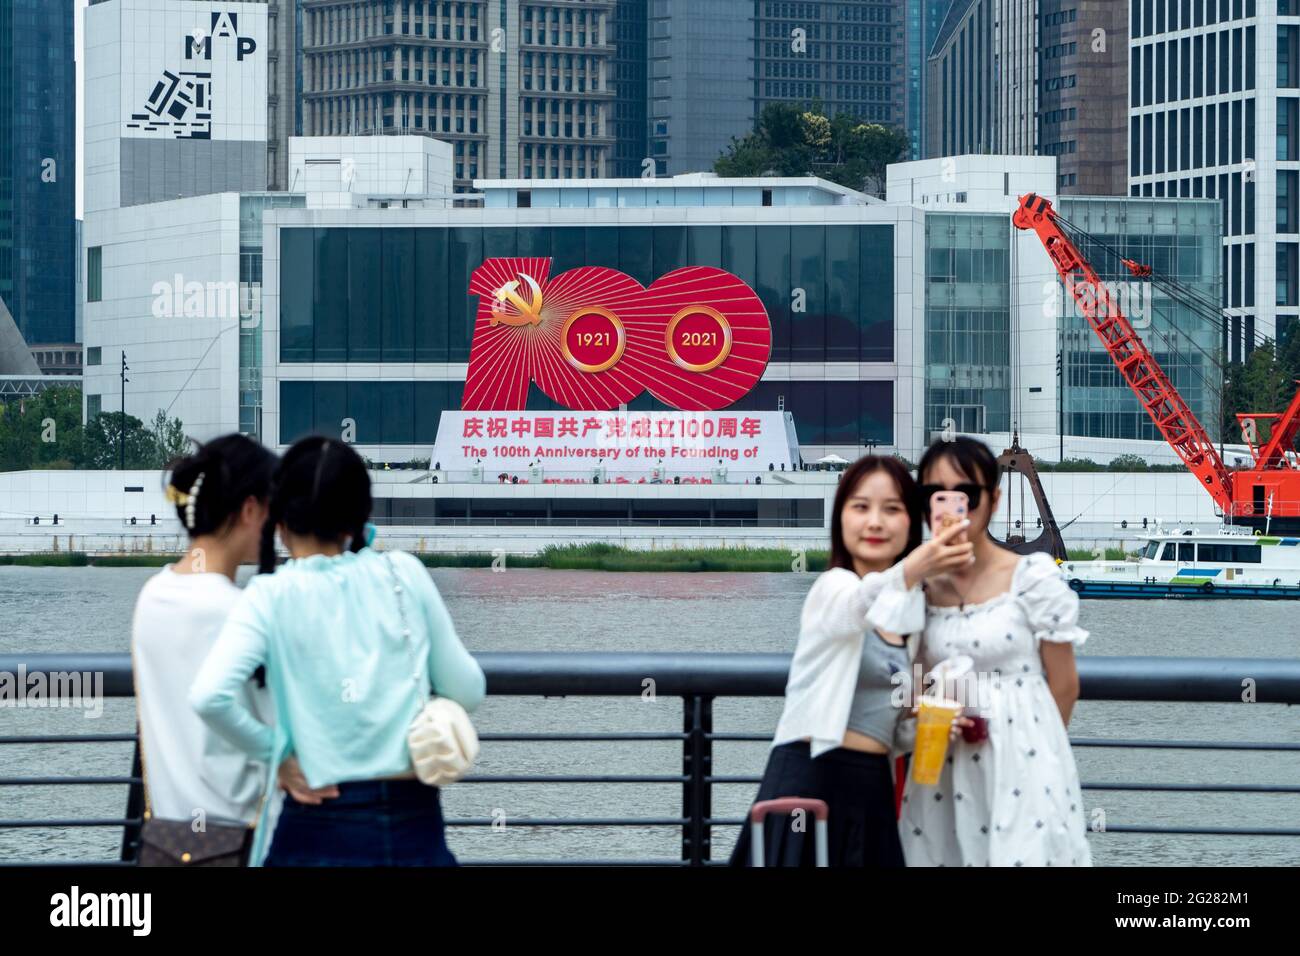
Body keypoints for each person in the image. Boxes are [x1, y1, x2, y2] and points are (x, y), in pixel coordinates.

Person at [190, 437, 487, 866]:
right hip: (412, 821)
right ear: (357, 518)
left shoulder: (270, 593)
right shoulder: (403, 572)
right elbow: (469, 689)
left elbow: (209, 696)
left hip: (316, 820)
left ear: (280, 517)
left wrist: (277, 756)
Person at [730, 455, 973, 867]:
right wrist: (914, 568)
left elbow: (887, 733)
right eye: (860, 507)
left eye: (892, 509)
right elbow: (857, 607)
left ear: (910, 523)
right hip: (808, 778)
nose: (875, 522)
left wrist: (931, 725)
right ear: (840, 519)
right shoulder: (833, 588)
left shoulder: (909, 622)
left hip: (871, 788)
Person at [898, 436, 1092, 867]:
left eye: (967, 493)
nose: (952, 506)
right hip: (942, 764)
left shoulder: (1033, 579)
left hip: (1025, 760)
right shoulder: (916, 587)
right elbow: (906, 683)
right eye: (936, 494)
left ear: (994, 498)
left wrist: (1033, 750)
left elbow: (1064, 685)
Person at [132, 434, 320, 856]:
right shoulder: (240, 611)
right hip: (241, 842)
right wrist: (282, 758)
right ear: (250, 509)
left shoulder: (151, 597)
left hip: (166, 841)